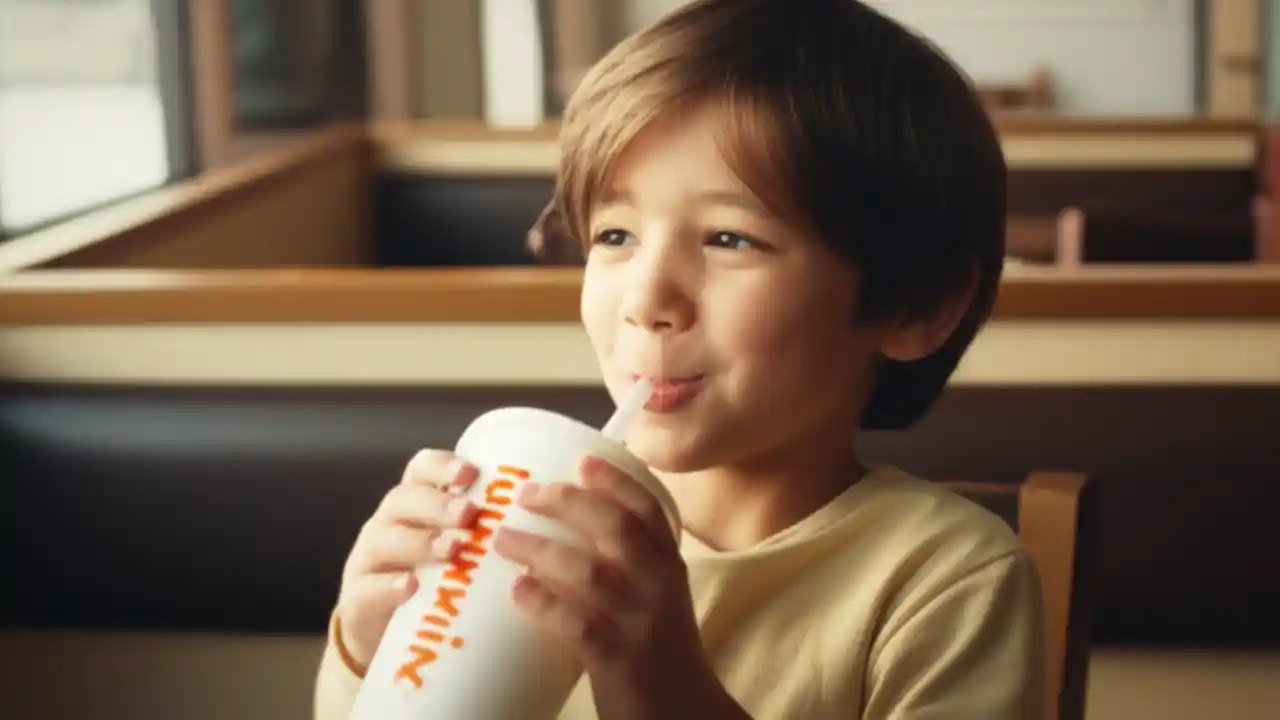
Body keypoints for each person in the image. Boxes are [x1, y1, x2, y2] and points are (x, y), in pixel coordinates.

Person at [315, 0, 1043, 717]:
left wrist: (664, 689)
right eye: (614, 236)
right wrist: (372, 648)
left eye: (730, 239)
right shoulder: (536, 531)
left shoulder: (948, 579)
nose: (647, 297)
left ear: (916, 307)